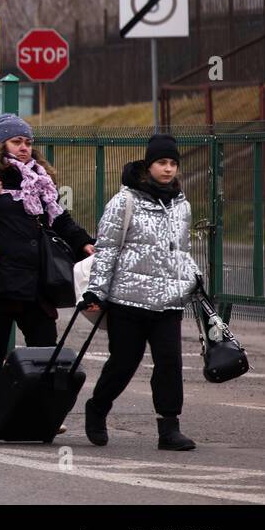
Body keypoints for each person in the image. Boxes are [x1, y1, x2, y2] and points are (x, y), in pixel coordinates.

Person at [0, 113, 94, 434]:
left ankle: (41, 411)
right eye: (17, 141)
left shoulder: (40, 180)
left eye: (28, 142)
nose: (24, 148)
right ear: (0, 144)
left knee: (45, 347)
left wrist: (84, 243)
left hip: (36, 283)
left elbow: (60, 219)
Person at [82, 134, 198, 451]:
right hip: (127, 300)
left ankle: (169, 428)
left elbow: (181, 251)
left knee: (169, 363)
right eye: (162, 162)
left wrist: (192, 279)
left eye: (173, 163)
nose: (168, 169)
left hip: (168, 301)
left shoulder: (181, 204)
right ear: (149, 165)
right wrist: (96, 292)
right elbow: (106, 250)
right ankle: (98, 408)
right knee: (123, 362)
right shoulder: (125, 201)